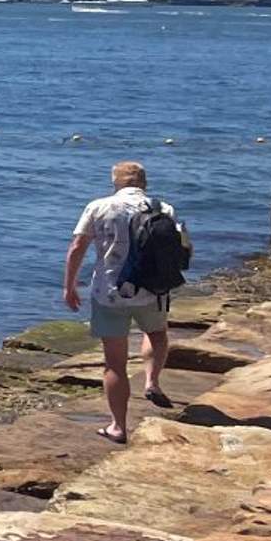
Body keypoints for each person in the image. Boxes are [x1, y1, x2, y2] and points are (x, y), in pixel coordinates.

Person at [63, 160, 191, 444]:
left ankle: (118, 427)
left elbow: (77, 248)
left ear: (116, 182)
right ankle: (152, 381)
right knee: (157, 335)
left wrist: (70, 286)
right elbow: (183, 247)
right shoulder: (164, 208)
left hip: (110, 292)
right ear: (143, 183)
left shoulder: (99, 207)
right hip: (152, 289)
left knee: (114, 364)